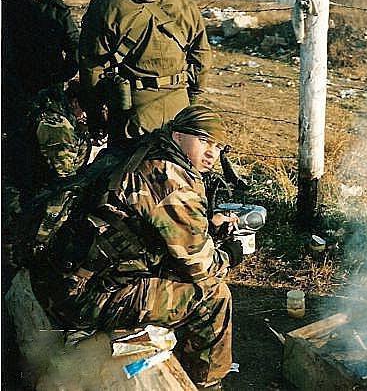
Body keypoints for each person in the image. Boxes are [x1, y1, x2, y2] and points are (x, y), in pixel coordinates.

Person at [30, 105, 244, 388]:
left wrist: (205, 226)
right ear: (179, 136)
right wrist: (229, 254)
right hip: (86, 298)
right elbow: (201, 268)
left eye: (218, 147)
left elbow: (148, 223)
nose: (211, 154)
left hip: (67, 276)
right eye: (204, 141)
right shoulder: (170, 179)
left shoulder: (144, 149)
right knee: (213, 297)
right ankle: (206, 384)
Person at [78, 0, 212, 143]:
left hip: (133, 114)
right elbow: (201, 58)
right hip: (179, 108)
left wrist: (96, 120)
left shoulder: (106, 4)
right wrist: (191, 101)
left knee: (127, 168)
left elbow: (92, 69)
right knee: (176, 168)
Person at [1, 0, 80, 200]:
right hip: (13, 91)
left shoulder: (58, 11)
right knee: (17, 153)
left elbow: (75, 50)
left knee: (52, 151)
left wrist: (61, 76)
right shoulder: (8, 9)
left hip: (48, 92)